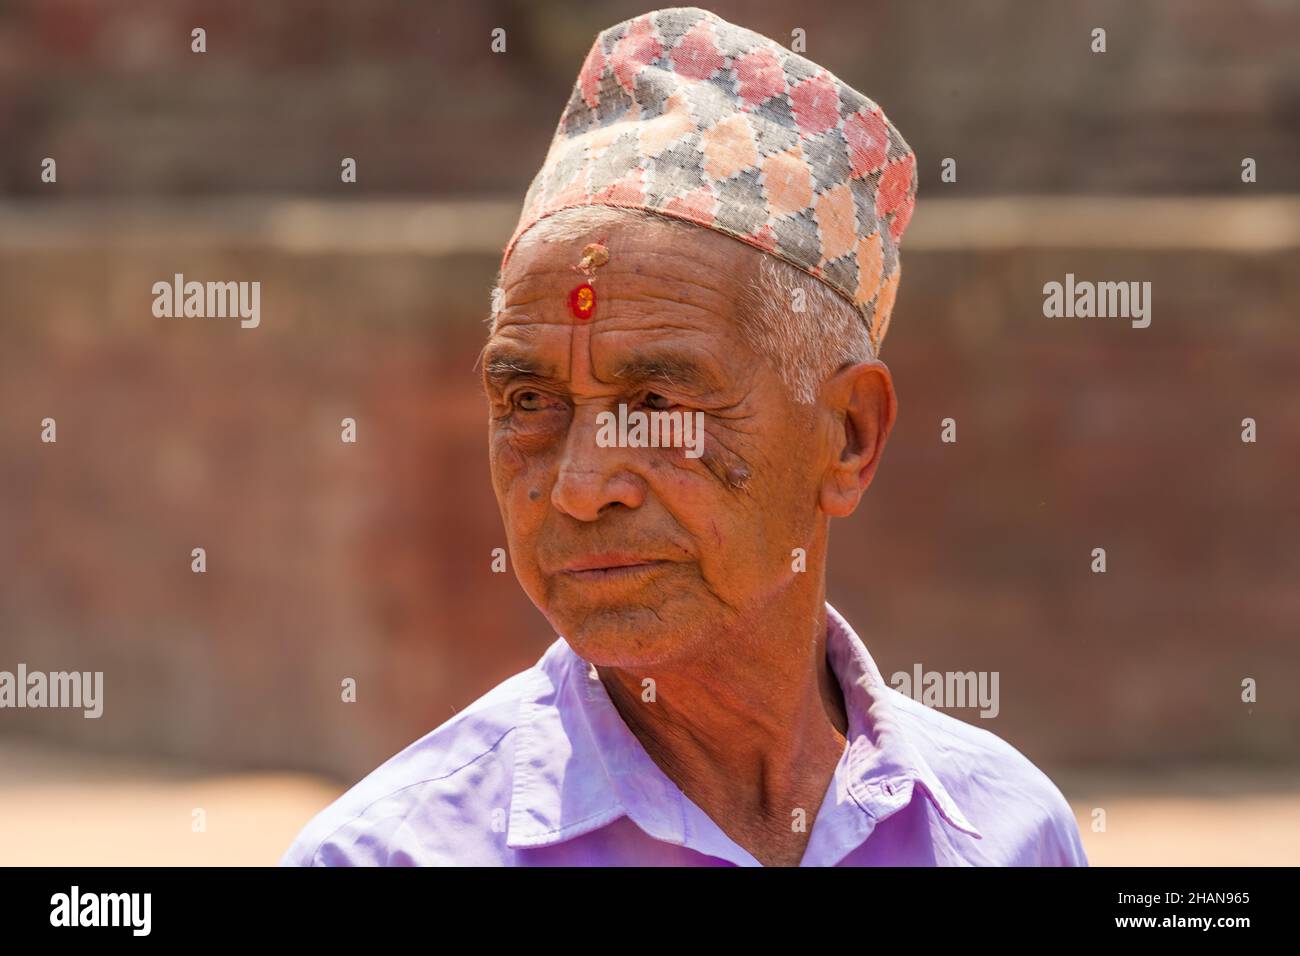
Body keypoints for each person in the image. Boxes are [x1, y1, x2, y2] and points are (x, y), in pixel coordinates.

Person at [281, 6, 1087, 867]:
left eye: (659, 402)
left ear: (849, 436)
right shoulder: (386, 856)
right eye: (528, 401)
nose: (580, 487)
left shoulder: (1004, 834)